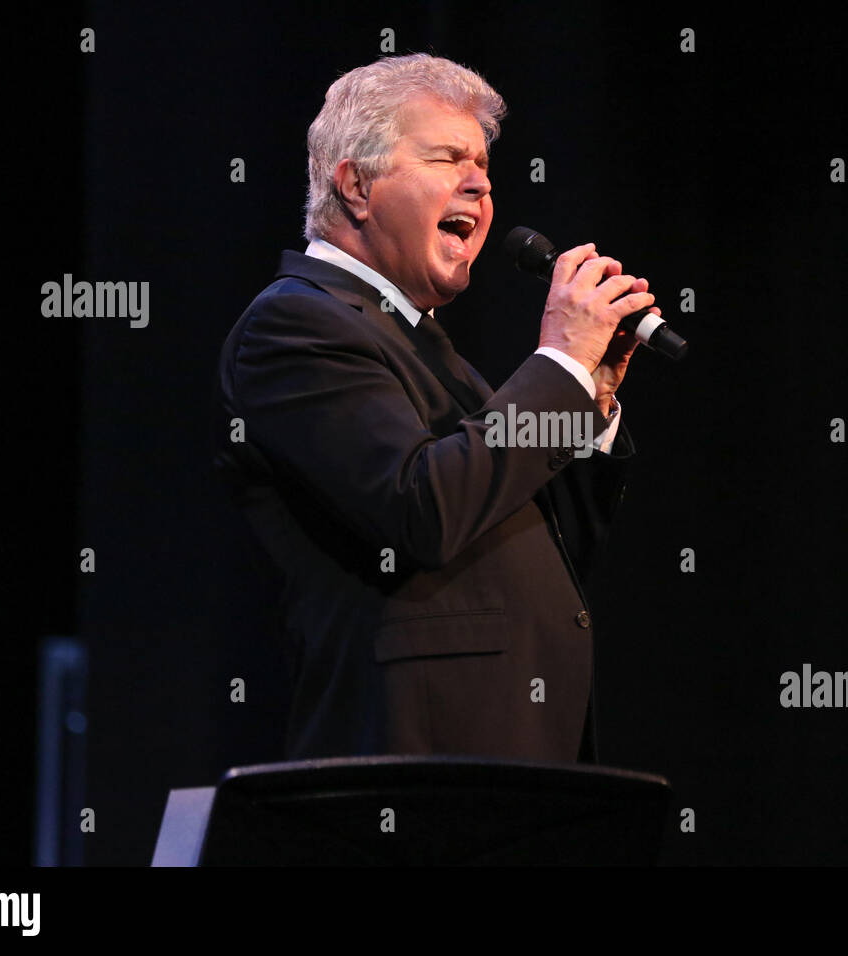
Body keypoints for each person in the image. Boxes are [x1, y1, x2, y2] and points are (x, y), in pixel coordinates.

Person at [211, 54, 658, 764]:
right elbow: (424, 508)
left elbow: (553, 543)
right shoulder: (296, 325)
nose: (480, 183)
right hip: (420, 762)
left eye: (483, 165)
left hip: (516, 754)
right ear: (357, 186)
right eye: (448, 158)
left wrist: (589, 393)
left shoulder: (426, 348)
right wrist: (560, 363)